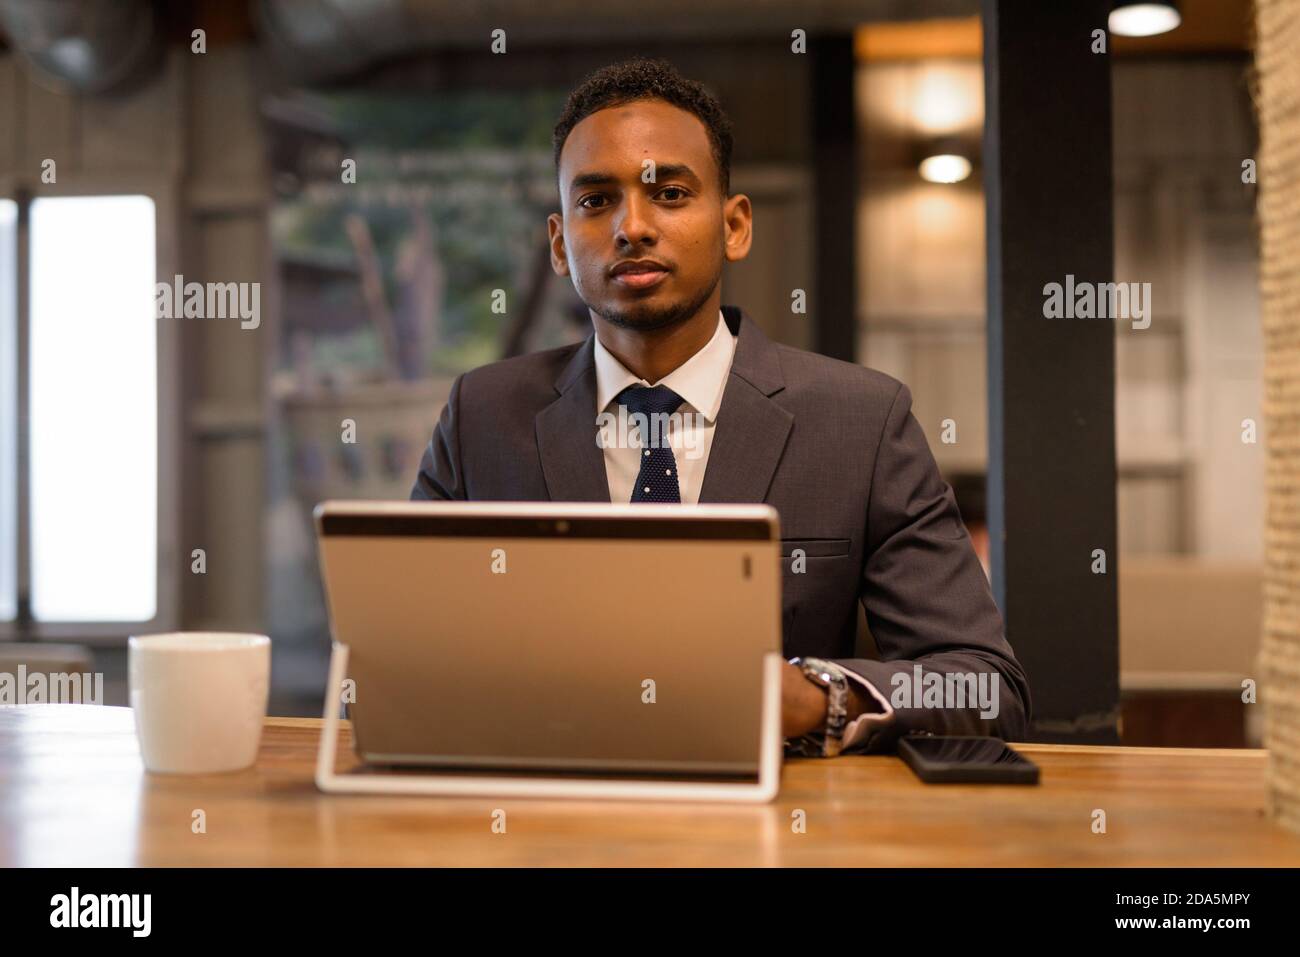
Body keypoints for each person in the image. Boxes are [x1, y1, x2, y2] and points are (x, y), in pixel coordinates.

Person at [411, 57, 1030, 756]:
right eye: (595, 201)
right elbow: (395, 661)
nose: (632, 227)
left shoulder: (862, 423)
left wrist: (821, 695)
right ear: (559, 244)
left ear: (734, 225)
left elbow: (984, 685)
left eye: (670, 193)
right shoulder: (481, 417)